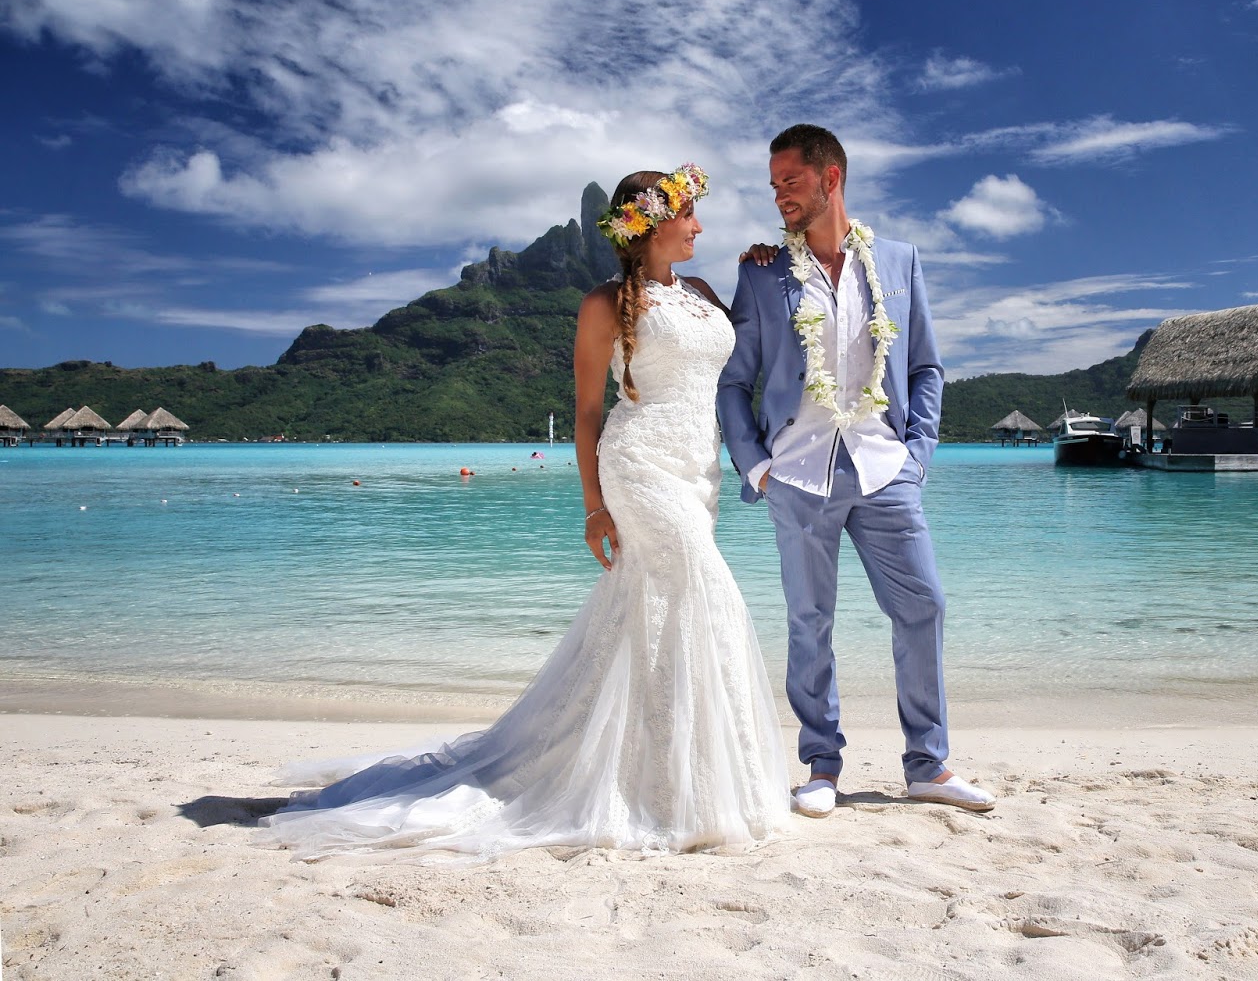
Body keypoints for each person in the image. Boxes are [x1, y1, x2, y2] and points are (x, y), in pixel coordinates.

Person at [261, 166, 790, 858]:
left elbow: (748, 345)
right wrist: (594, 507)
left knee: (660, 612)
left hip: (699, 472)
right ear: (650, 224)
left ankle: (663, 775)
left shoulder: (702, 293)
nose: (698, 226)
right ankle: (681, 789)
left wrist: (765, 270)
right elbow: (588, 413)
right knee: (707, 594)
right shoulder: (605, 304)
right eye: (688, 215)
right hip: (639, 468)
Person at [717, 124, 994, 817]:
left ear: (830, 178)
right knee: (810, 621)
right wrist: (754, 468)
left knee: (923, 605)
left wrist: (919, 454)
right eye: (774, 182)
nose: (779, 193)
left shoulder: (898, 261)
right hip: (797, 474)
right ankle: (821, 766)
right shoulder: (760, 272)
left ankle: (928, 765)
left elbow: (926, 365)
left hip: (883, 466)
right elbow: (733, 383)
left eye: (791, 180)